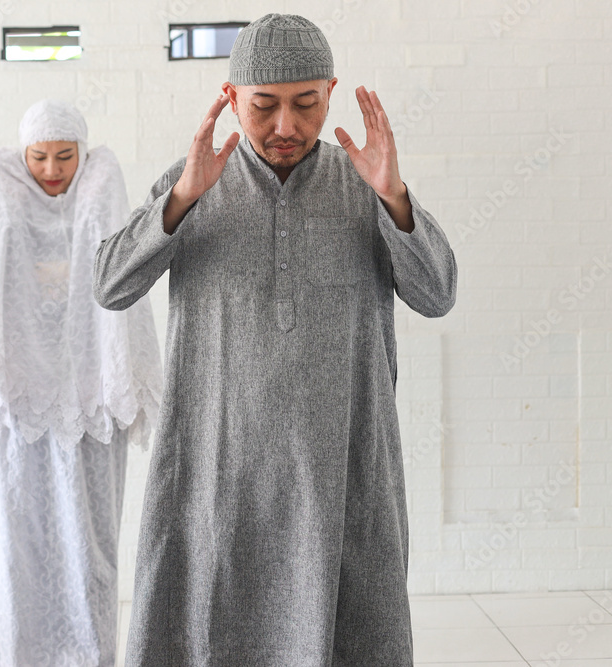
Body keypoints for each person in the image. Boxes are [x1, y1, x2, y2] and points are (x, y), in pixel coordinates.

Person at [93, 14, 457, 667]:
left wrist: (395, 197)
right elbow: (110, 285)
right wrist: (179, 200)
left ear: (332, 92)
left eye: (306, 104)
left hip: (341, 477)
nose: (285, 126)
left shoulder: (366, 184)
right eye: (264, 106)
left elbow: (437, 294)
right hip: (215, 475)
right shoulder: (194, 179)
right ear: (231, 99)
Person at [0, 100, 162, 667]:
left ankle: (87, 655)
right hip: (16, 402)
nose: (52, 168)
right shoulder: (5, 193)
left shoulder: (101, 191)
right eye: (39, 156)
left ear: (83, 154)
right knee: (14, 538)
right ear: (23, 154)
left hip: (90, 401)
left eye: (65, 156)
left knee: (88, 545)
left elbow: (119, 289)